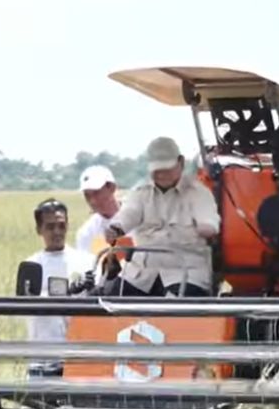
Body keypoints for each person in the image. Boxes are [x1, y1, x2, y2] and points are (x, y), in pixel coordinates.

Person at [104, 136, 220, 297]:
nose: (162, 174)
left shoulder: (199, 193)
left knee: (173, 311)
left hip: (186, 272)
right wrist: (116, 228)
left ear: (181, 162)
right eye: (157, 170)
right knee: (110, 303)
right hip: (142, 272)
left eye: (167, 169)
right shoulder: (141, 193)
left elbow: (209, 221)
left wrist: (206, 228)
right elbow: (128, 214)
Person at [23, 198, 96, 377]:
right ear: (39, 230)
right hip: (42, 358)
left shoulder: (87, 262)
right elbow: (26, 303)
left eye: (61, 225)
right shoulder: (31, 266)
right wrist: (69, 291)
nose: (57, 232)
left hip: (78, 357)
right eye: (50, 227)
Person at [75, 165, 125, 254]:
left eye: (96, 193)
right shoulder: (86, 233)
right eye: (87, 195)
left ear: (112, 188)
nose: (92, 201)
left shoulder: (141, 218)